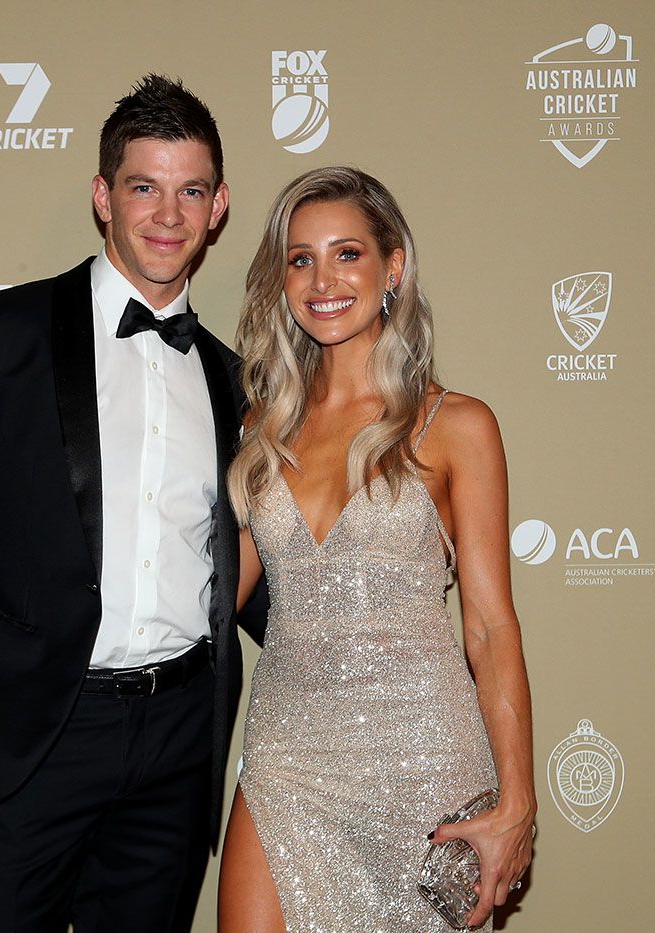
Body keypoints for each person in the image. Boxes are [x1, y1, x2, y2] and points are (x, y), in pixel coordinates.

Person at [0, 74, 263, 932]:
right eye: (144, 186)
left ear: (218, 208)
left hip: (178, 740)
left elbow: (251, 567)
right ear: (103, 196)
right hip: (32, 731)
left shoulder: (234, 377)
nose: (167, 214)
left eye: (191, 190)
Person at [217, 166, 536, 931]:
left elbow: (490, 625)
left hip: (422, 762)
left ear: (393, 267)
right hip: (287, 761)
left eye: (346, 254)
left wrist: (518, 798)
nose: (322, 279)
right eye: (300, 258)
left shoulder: (457, 425)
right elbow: (209, 602)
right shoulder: (262, 428)